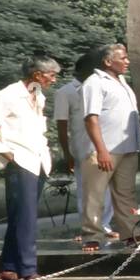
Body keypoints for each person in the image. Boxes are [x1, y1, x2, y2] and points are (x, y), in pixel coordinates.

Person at [0, 54, 61, 280]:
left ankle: (8, 267)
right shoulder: (6, 96)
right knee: (26, 220)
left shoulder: (38, 95)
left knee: (22, 217)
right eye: (51, 75)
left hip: (37, 162)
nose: (54, 80)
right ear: (37, 74)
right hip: (20, 163)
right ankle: (29, 271)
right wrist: (5, 153)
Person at [80, 43, 140, 252]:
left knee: (126, 194)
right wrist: (101, 150)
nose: (127, 61)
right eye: (122, 58)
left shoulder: (122, 82)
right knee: (95, 194)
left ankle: (131, 233)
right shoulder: (95, 83)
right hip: (105, 149)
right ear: (108, 61)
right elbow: (91, 119)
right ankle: (92, 235)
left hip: (127, 148)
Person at [52, 48, 113, 237]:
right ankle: (89, 227)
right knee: (86, 189)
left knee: (107, 188)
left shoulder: (99, 87)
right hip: (83, 147)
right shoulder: (65, 92)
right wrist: (67, 153)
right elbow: (62, 126)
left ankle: (105, 225)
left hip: (104, 145)